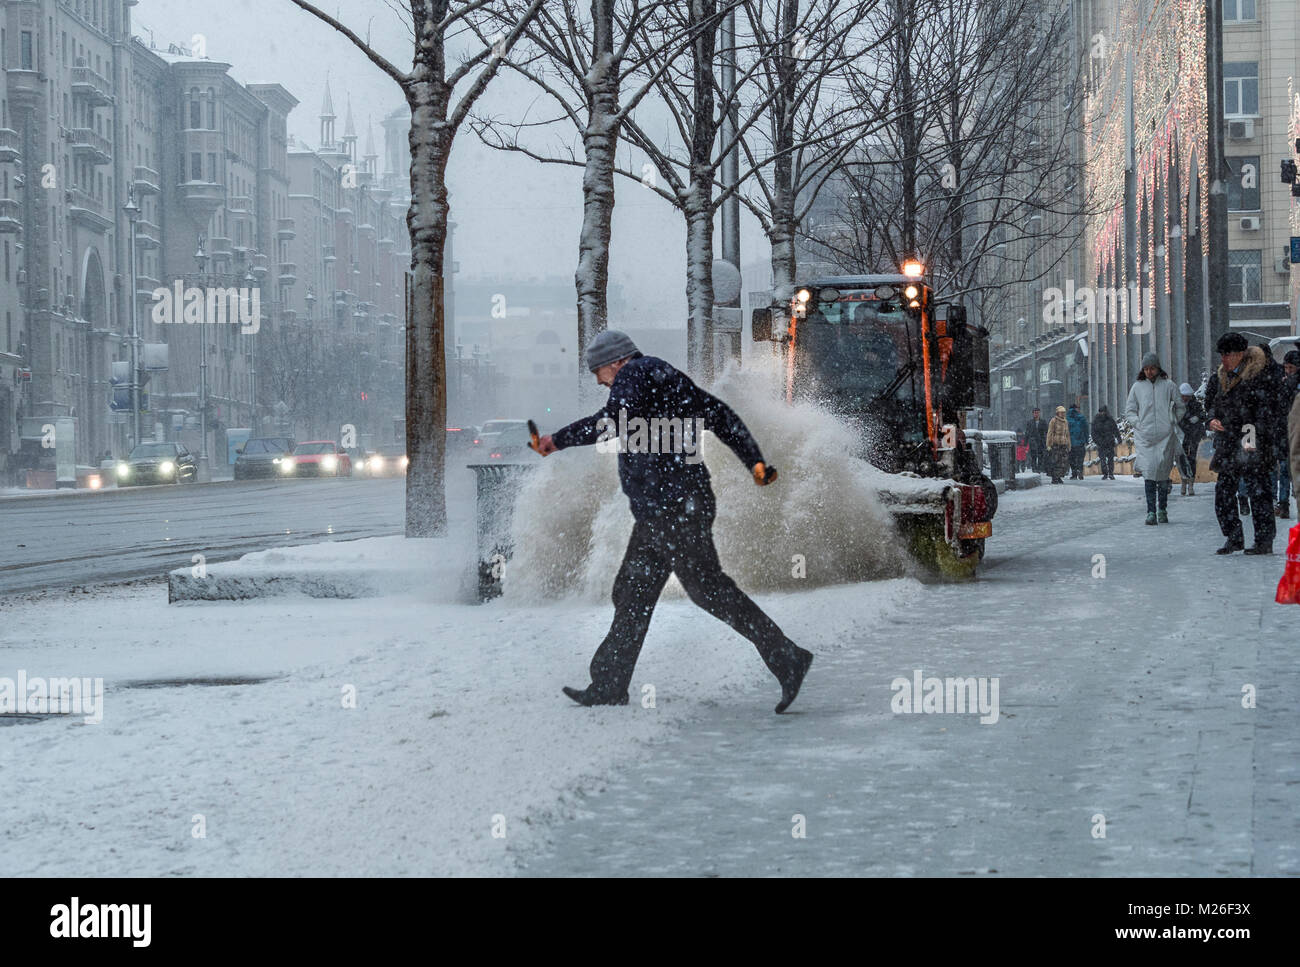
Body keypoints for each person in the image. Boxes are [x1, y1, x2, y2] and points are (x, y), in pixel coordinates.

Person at [535, 329, 814, 713]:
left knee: (707, 589)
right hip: (668, 509)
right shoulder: (667, 379)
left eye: (598, 371)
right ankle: (609, 684)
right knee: (632, 592)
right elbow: (721, 416)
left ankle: (786, 656)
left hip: (673, 508)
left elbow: (610, 423)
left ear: (616, 361)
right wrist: (755, 461)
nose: (600, 381)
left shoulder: (634, 375)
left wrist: (558, 440)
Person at [1204, 333, 1277, 554]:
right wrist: (1211, 419)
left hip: (1251, 437)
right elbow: (1210, 403)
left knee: (1258, 490)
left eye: (1228, 355)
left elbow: (1267, 410)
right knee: (1224, 492)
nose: (1224, 360)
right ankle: (1233, 537)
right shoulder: (1219, 377)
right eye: (1222, 355)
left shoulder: (1259, 375)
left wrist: (1253, 435)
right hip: (1227, 440)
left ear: (1241, 354)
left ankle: (1264, 540)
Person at [1124, 352, 1183, 525]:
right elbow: (1130, 410)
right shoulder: (1137, 387)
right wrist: (1138, 423)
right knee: (1149, 473)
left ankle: (1162, 509)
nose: (1149, 371)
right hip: (1145, 437)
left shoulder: (1169, 386)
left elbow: (1180, 406)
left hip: (1165, 436)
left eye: (1152, 368)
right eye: (1146, 368)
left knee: (1163, 474)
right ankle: (1151, 512)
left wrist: (1173, 420)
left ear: (1158, 368)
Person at [1275, 350, 1300, 518]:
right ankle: (1284, 502)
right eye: (1286, 367)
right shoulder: (1283, 385)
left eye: (1291, 368)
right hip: (1286, 435)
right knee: (1285, 469)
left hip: (1292, 434)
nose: (1288, 371)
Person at [1176, 383, 1206, 497]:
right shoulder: (1178, 405)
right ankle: (1184, 481)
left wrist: (1197, 417)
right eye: (1184, 396)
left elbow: (1203, 415)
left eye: (1187, 396)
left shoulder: (1195, 405)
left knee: (1192, 459)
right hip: (1181, 435)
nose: (1185, 398)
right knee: (1181, 459)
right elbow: (1175, 418)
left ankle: (1191, 483)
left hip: (1194, 435)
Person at [1092, 404, 1120, 479]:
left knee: (1110, 459)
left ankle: (1110, 473)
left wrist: (1118, 438)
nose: (1102, 413)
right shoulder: (1096, 420)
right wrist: (1097, 441)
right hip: (1101, 443)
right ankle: (1105, 473)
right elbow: (1093, 432)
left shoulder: (1110, 420)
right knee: (1103, 459)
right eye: (1100, 412)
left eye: (1103, 412)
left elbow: (1115, 429)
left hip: (1109, 441)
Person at [1046, 405, 1071, 484]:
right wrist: (1048, 445)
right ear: (1058, 413)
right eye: (1061, 413)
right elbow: (1050, 433)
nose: (1063, 414)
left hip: (1063, 444)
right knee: (1055, 461)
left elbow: (1067, 434)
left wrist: (1068, 444)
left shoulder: (1066, 422)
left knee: (1063, 462)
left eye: (1064, 413)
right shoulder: (1053, 421)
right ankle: (1054, 477)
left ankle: (1059, 476)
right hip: (1055, 444)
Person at [1066, 404, 1089, 479]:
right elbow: (1086, 429)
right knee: (1080, 458)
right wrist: (1086, 440)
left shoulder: (1067, 418)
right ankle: (1080, 470)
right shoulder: (1081, 418)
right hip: (1080, 442)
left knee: (1071, 459)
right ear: (1076, 409)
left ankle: (1074, 473)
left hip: (1070, 443)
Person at [1024, 407, 1048, 473]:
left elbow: (1047, 431)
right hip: (1033, 442)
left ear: (1039, 413)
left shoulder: (1043, 422)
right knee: (1033, 456)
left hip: (1041, 442)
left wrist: (1046, 440)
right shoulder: (1030, 422)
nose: (1036, 414)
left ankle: (1039, 469)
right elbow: (1027, 432)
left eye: (1037, 413)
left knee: (1040, 456)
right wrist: (1025, 443)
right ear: (1033, 414)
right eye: (1035, 413)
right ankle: (1034, 469)